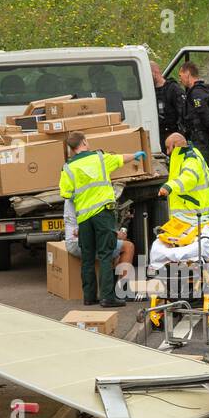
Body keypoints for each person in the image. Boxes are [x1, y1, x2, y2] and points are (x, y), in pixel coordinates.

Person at [58, 131, 145, 307]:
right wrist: (135, 155)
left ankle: (89, 297)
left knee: (88, 257)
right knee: (106, 254)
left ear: (72, 149)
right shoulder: (99, 158)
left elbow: (65, 193)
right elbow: (121, 159)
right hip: (102, 213)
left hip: (83, 217)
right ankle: (107, 297)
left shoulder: (67, 167)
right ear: (84, 142)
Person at [148, 133, 209, 271]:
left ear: (175, 145)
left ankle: (193, 268)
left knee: (196, 241)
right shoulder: (188, 153)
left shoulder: (190, 159)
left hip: (197, 211)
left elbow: (189, 178)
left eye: (168, 148)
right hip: (194, 210)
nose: (167, 152)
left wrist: (170, 186)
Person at [64, 197, 134, 281]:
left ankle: (115, 285)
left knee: (121, 243)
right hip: (79, 242)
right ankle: (124, 290)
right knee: (128, 247)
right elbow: (80, 232)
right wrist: (113, 234)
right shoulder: (84, 198)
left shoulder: (75, 196)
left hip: (77, 240)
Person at [179, 61, 209, 170]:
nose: (180, 80)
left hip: (202, 142)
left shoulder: (196, 94)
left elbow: (206, 117)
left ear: (187, 74)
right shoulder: (207, 89)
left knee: (203, 172)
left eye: (180, 75)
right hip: (206, 140)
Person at [151, 61, 185, 150]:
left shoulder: (173, 89)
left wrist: (179, 135)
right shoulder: (150, 91)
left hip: (173, 135)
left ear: (154, 72)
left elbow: (183, 113)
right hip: (159, 135)